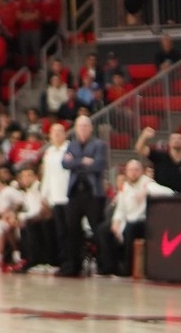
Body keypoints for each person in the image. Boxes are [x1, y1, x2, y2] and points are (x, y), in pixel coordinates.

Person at [55, 114, 107, 277]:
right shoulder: (72, 145)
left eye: (86, 126)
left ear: (91, 128)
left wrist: (75, 162)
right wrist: (83, 161)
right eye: (80, 126)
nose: (83, 129)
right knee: (72, 229)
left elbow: (98, 165)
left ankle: (103, 265)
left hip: (92, 192)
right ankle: (72, 265)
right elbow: (65, 163)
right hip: (75, 192)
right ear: (76, 129)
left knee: (97, 228)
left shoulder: (99, 144)